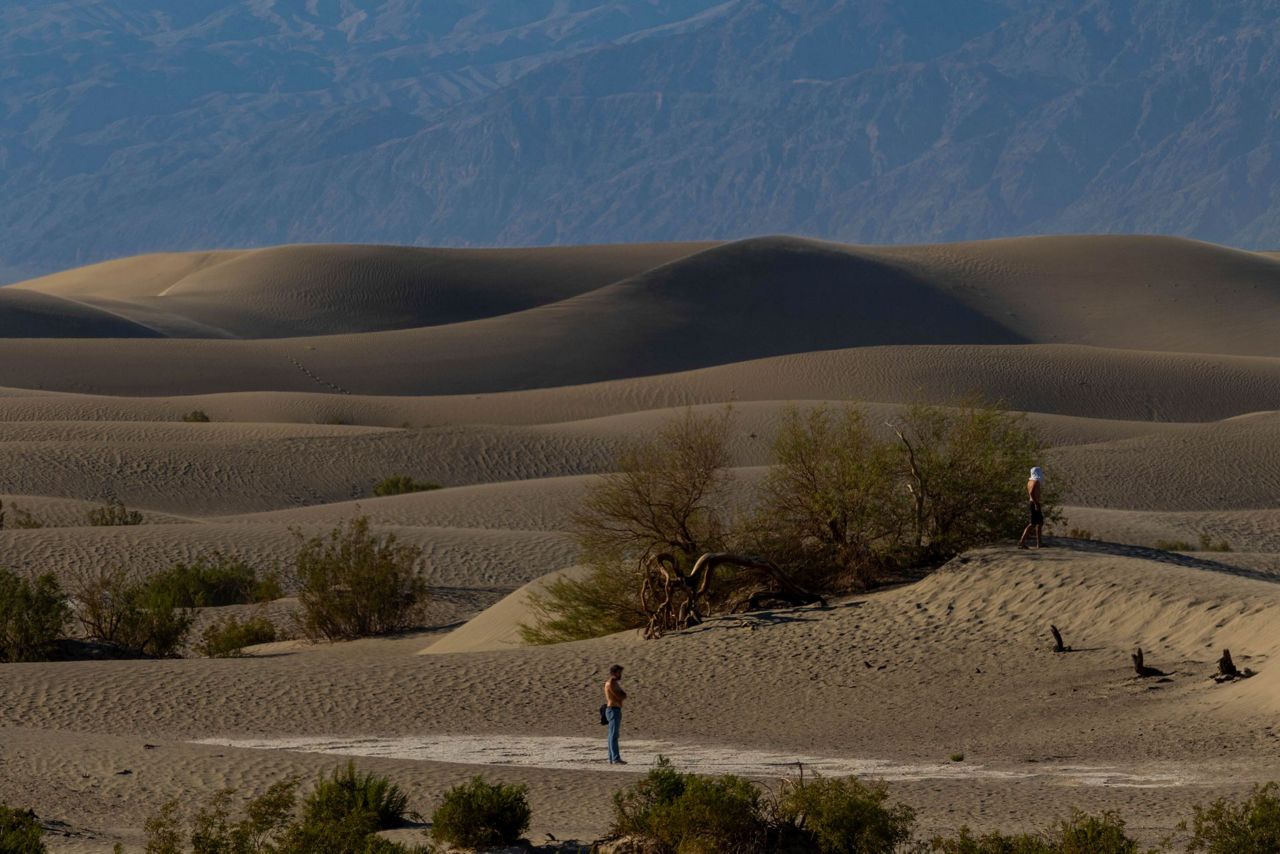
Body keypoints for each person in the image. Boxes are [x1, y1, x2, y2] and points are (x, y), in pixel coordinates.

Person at [603, 664, 627, 765]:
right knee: (613, 735)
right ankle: (615, 758)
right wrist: (622, 695)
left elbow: (623, 695)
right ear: (614, 673)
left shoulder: (614, 682)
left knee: (612, 735)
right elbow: (619, 695)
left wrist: (622, 695)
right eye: (619, 672)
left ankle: (611, 758)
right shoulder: (611, 682)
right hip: (613, 709)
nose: (620, 674)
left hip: (615, 709)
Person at [1018, 466, 1044, 549]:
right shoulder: (1035, 481)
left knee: (1039, 523)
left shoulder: (1030, 481)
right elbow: (1032, 493)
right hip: (1034, 503)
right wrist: (1036, 503)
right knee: (1033, 524)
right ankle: (1022, 542)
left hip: (1033, 503)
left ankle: (1039, 543)